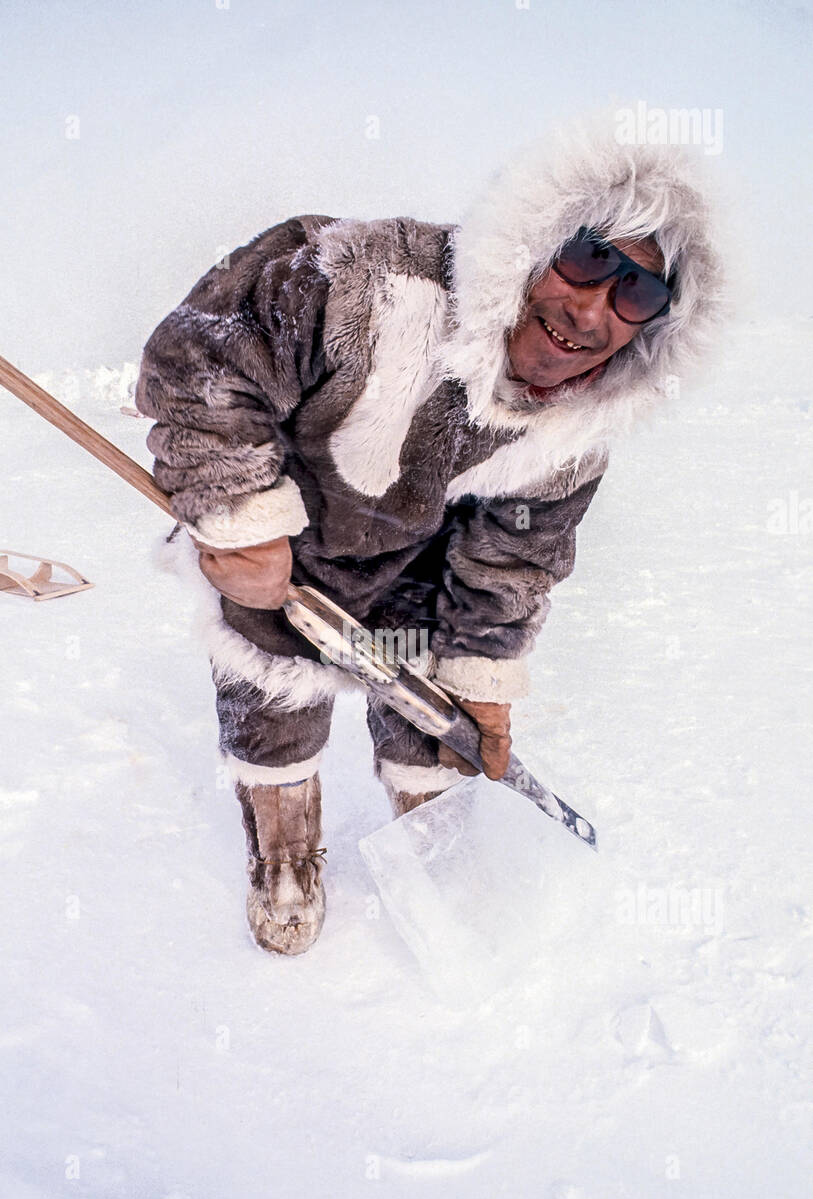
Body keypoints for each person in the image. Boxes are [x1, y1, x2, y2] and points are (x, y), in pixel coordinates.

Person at [135, 120, 723, 957]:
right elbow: (204, 363)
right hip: (288, 545)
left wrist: (484, 675)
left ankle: (432, 849)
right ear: (535, 241)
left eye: (637, 294)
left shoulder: (575, 431)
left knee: (437, 720)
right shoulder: (366, 284)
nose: (591, 308)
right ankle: (284, 851)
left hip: (412, 566)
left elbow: (512, 558)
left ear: (652, 326)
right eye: (588, 259)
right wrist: (241, 518)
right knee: (274, 705)